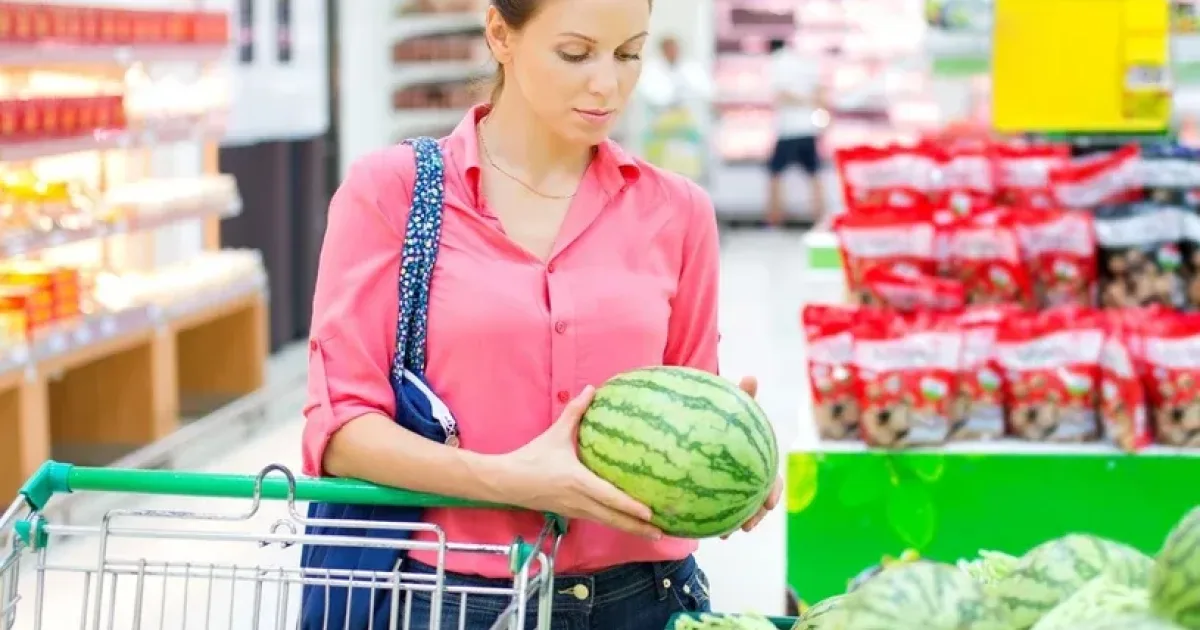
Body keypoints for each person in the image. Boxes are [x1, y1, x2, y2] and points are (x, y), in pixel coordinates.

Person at [303, 0, 783, 628]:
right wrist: (509, 480)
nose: (607, 83)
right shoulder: (391, 193)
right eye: (575, 53)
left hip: (648, 598)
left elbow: (689, 396)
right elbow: (340, 429)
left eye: (629, 53)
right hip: (451, 601)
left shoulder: (678, 211)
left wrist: (731, 466)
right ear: (501, 33)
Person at [766, 37, 827, 226]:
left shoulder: (777, 63)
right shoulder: (807, 63)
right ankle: (820, 219)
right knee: (814, 174)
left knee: (775, 174)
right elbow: (821, 93)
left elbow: (781, 95)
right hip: (808, 128)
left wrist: (802, 102)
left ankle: (774, 219)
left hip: (788, 130)